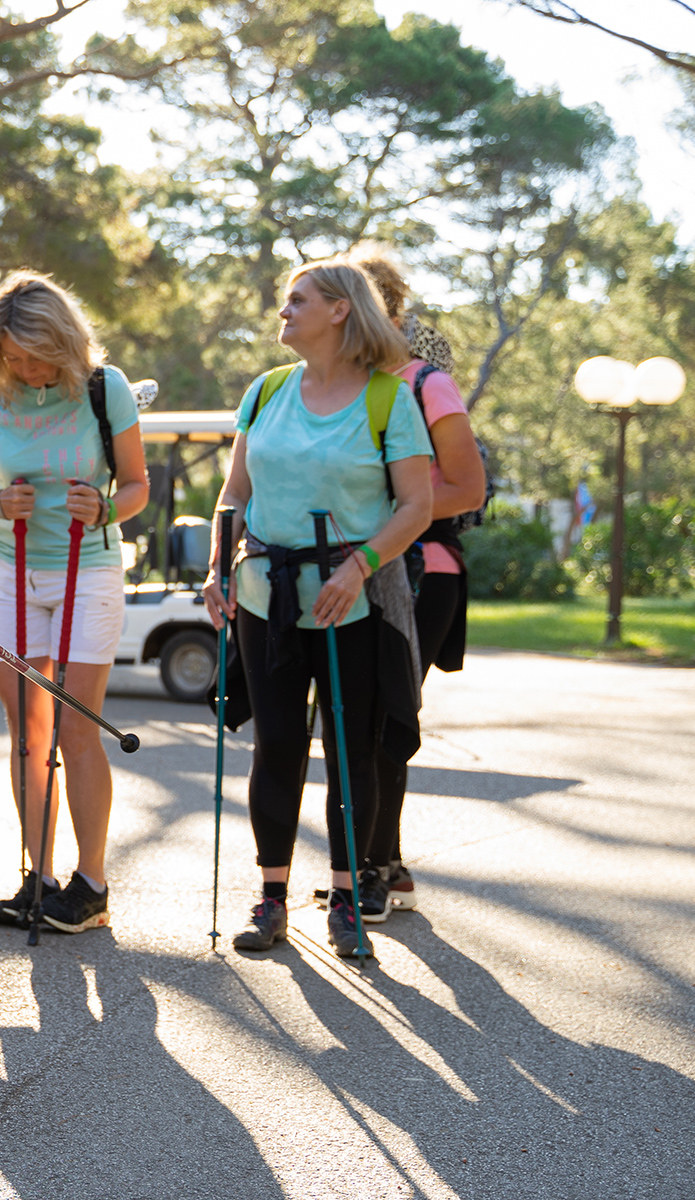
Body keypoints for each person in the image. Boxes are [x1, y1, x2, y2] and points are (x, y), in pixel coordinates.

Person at [201, 258, 432, 959]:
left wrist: (360, 566)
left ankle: (345, 901)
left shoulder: (390, 400)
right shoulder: (267, 390)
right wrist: (216, 568)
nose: (284, 310)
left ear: (340, 309)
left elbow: (417, 506)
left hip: (348, 602)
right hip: (263, 594)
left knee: (351, 751)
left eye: (297, 300)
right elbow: (234, 495)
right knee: (275, 744)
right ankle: (271, 899)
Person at [0, 271, 148, 935]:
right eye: (12, 357)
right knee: (28, 734)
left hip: (88, 569)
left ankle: (91, 885)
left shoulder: (105, 389)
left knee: (77, 729)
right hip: (9, 572)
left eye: (36, 356)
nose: (25, 369)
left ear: (64, 343)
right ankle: (39, 878)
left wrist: (106, 507)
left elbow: (137, 486)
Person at [348, 246, 487, 913]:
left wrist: (393, 515)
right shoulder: (337, 386)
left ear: (387, 313)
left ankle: (374, 869)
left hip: (422, 571)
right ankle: (387, 865)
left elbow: (467, 488)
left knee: (384, 716)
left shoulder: (425, 383)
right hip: (351, 570)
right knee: (356, 719)